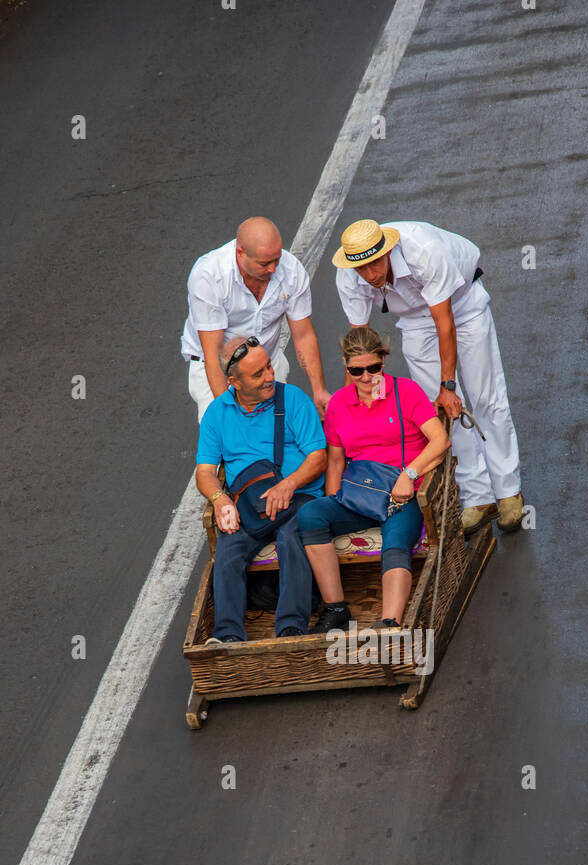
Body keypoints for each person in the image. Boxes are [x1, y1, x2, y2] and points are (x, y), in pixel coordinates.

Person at [332, 218, 523, 536]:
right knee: (441, 411)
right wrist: (349, 402)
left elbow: (444, 320)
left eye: (374, 265)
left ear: (388, 250)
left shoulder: (424, 251)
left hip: (462, 305)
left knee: (485, 398)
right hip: (413, 319)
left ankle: (508, 491)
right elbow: (358, 342)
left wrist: (449, 384)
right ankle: (478, 498)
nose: (370, 275)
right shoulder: (349, 276)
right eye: (361, 269)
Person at [296, 327, 449, 632]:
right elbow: (336, 461)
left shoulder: (405, 391)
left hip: (400, 494)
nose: (366, 377)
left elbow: (440, 440)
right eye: (356, 370)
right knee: (310, 515)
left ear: (383, 361)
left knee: (395, 543)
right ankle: (337, 608)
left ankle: (390, 622)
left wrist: (410, 474)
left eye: (373, 368)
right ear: (345, 366)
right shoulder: (339, 403)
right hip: (360, 494)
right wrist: (334, 498)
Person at [195, 336, 326, 641]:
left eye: (269, 367)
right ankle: (227, 636)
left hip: (299, 497)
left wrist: (288, 485)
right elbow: (205, 473)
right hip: (251, 503)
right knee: (228, 547)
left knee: (291, 536)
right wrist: (220, 499)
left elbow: (318, 458)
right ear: (234, 382)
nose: (270, 377)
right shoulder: (217, 414)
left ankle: (291, 629)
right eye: (258, 374)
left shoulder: (292, 399)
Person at [181, 217, 332, 421]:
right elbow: (213, 354)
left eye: (277, 259)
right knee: (229, 441)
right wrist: (230, 412)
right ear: (240, 252)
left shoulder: (292, 271)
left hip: (266, 363)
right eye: (264, 263)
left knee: (277, 438)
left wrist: (319, 389)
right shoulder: (208, 276)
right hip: (220, 368)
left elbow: (303, 336)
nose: (273, 269)